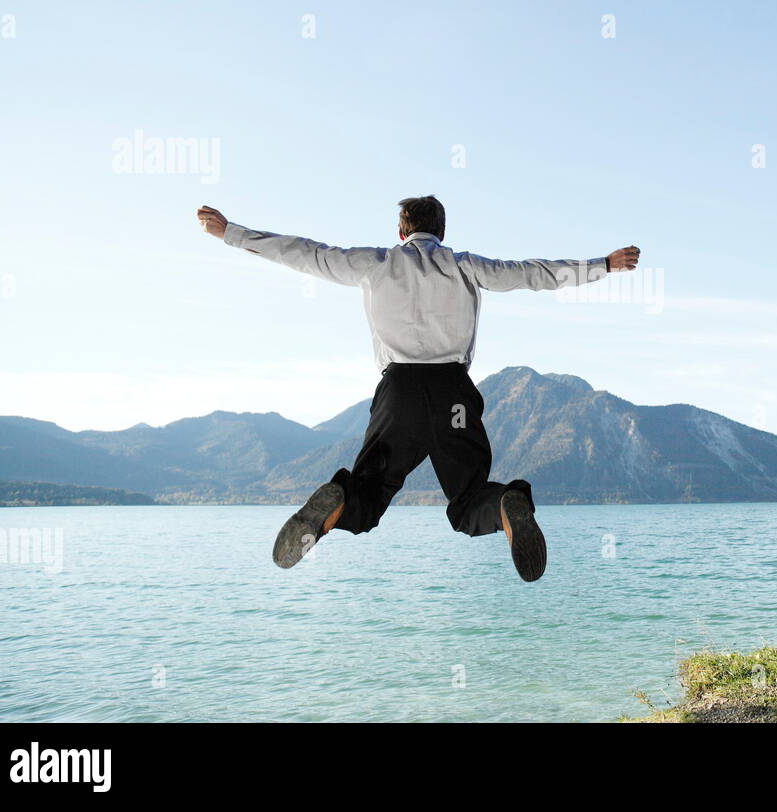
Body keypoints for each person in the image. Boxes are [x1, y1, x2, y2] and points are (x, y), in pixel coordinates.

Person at [196, 197, 639, 581]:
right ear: (441, 231)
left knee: (368, 494)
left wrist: (231, 233)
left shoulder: (376, 263)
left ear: (401, 229)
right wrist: (603, 265)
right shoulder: (463, 264)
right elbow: (531, 273)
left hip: (398, 395)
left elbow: (306, 253)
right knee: (468, 498)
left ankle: (336, 506)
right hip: (453, 395)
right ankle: (507, 505)